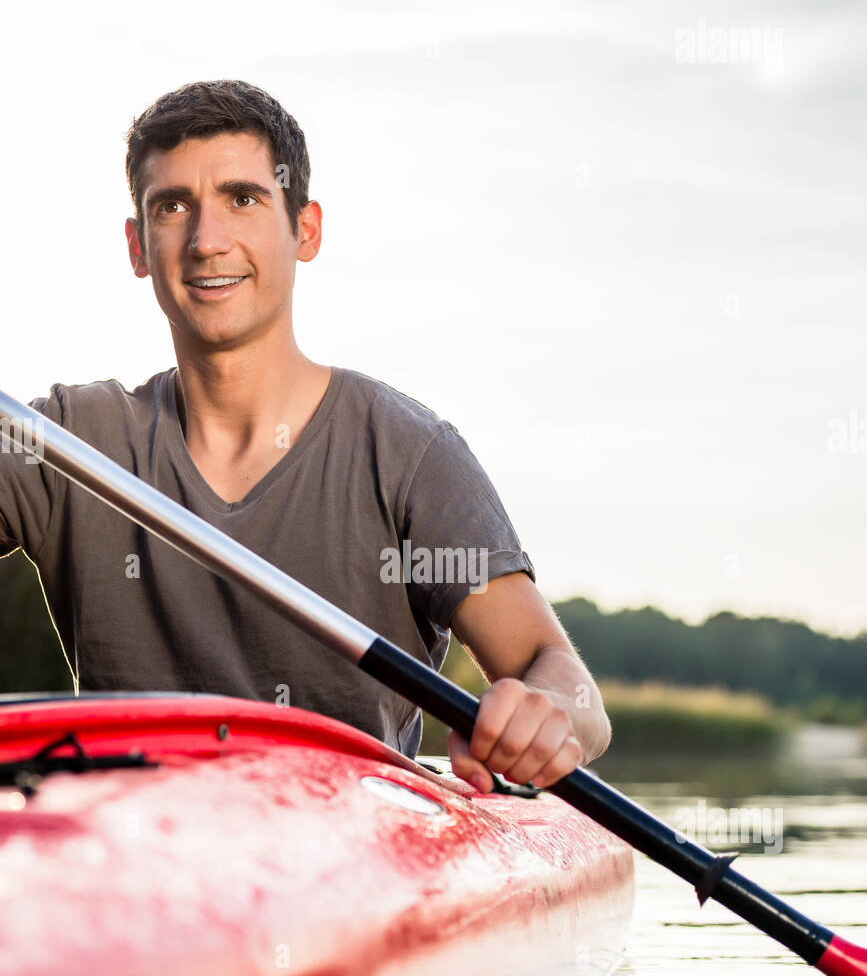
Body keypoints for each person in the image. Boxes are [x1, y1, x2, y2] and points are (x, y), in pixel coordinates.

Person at [0, 79, 610, 792]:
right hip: (129, 849)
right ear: (138, 246)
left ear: (306, 229)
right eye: (172, 207)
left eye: (243, 198)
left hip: (352, 862)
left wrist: (545, 715)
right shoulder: (67, 441)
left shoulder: (406, 451)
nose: (207, 240)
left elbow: (568, 687)